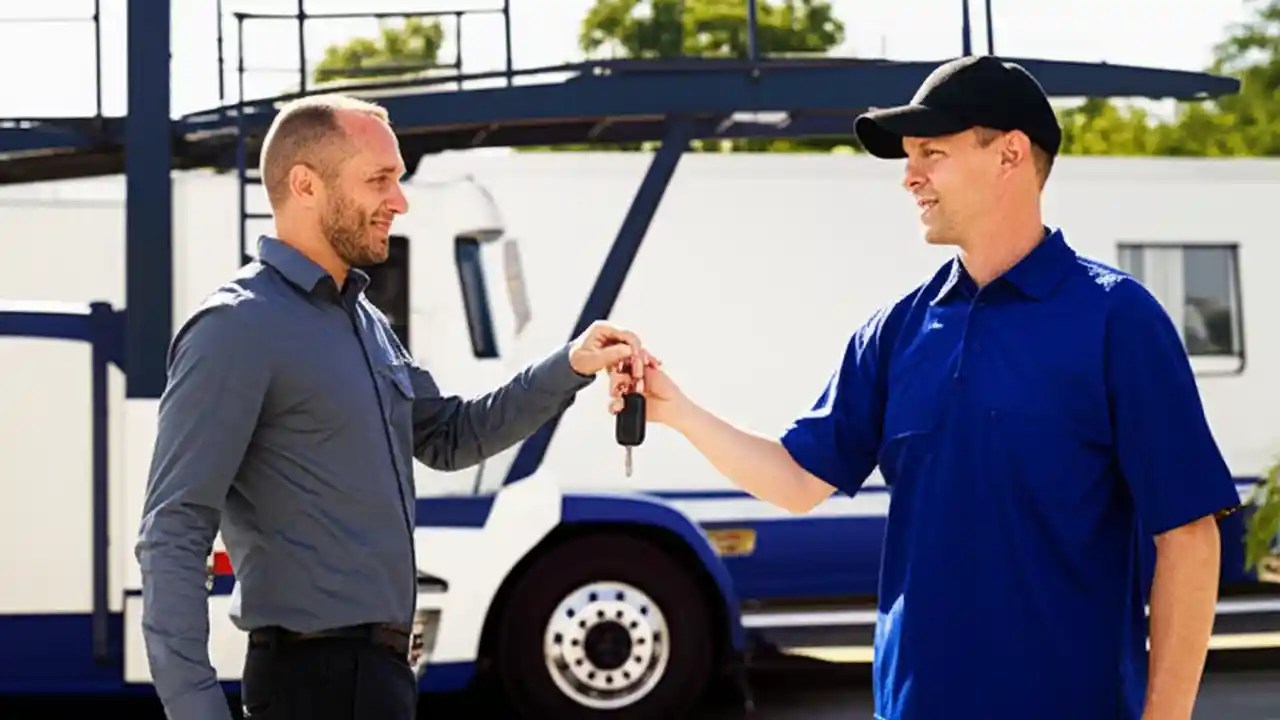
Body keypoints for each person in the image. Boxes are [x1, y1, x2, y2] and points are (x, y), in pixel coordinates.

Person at [612, 55, 1241, 720]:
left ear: (1010, 155)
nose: (909, 177)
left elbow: (1189, 537)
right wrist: (677, 411)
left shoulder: (1118, 318)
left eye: (931, 153)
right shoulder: (897, 331)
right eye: (908, 157)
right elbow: (798, 480)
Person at [134, 93, 647, 720]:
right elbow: (174, 526)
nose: (399, 202)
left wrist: (571, 364)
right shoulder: (236, 328)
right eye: (380, 180)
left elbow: (450, 437)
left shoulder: (365, 320)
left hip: (380, 677)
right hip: (312, 685)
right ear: (306, 185)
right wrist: (195, 710)